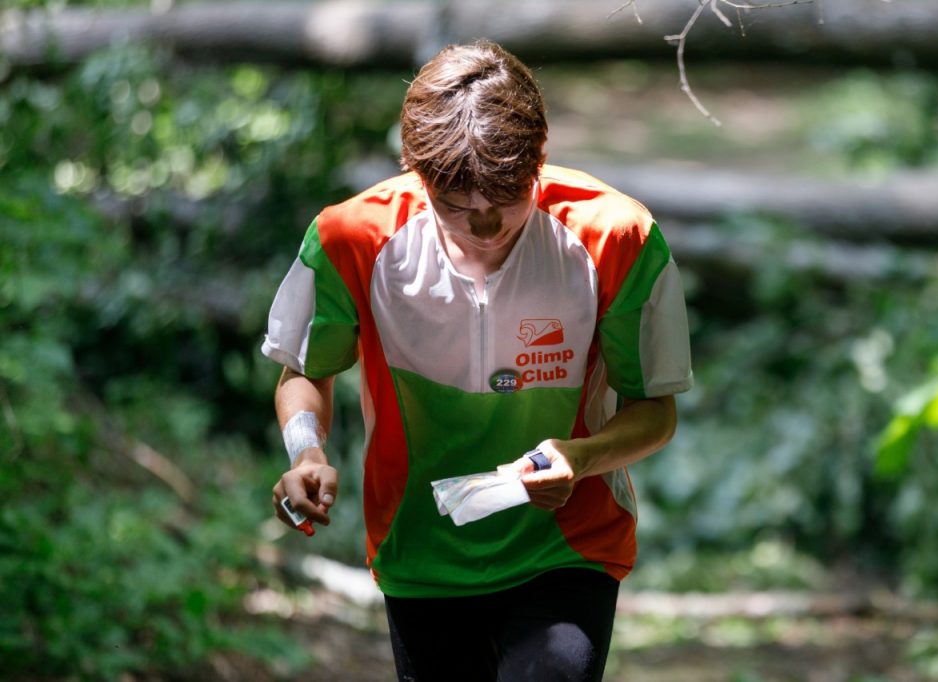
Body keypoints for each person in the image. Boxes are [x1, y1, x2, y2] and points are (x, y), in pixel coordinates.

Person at [261, 39, 693, 682]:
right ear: (416, 168)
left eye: (506, 201)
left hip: (568, 544)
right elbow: (304, 372)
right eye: (456, 206)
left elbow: (654, 411)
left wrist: (580, 458)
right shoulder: (349, 237)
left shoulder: (616, 237)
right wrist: (307, 453)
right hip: (421, 548)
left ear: (539, 156)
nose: (484, 226)